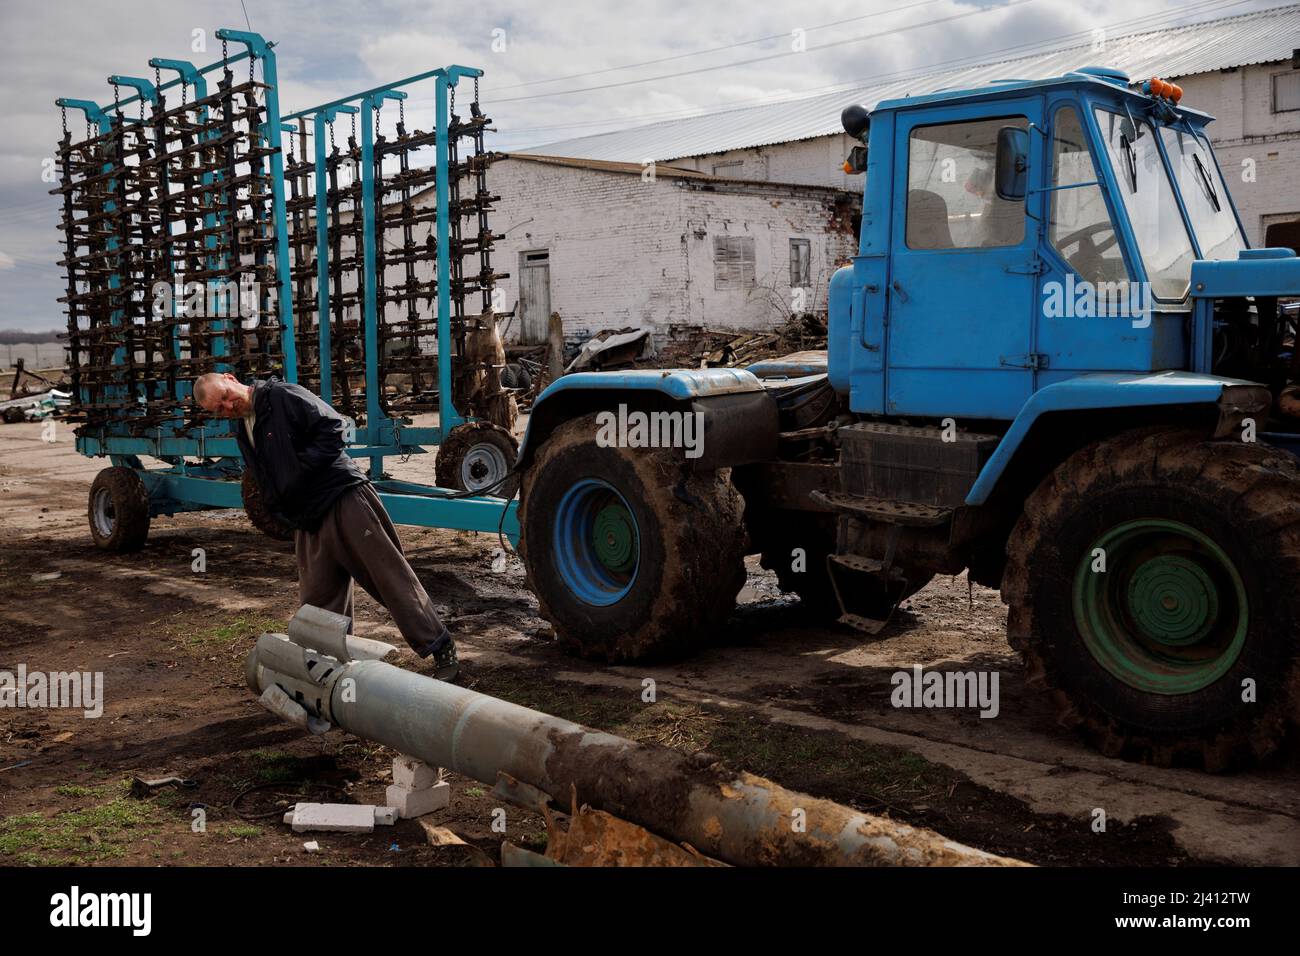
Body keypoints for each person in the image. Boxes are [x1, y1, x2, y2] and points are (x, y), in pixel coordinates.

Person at [193, 371, 459, 679]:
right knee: (318, 601)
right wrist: (280, 511)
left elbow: (335, 428)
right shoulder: (244, 430)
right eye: (219, 409)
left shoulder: (282, 396)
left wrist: (301, 472)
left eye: (226, 396)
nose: (228, 406)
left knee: (388, 577)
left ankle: (441, 647)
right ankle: (332, 672)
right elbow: (264, 477)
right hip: (308, 516)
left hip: (343, 497)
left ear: (230, 378)